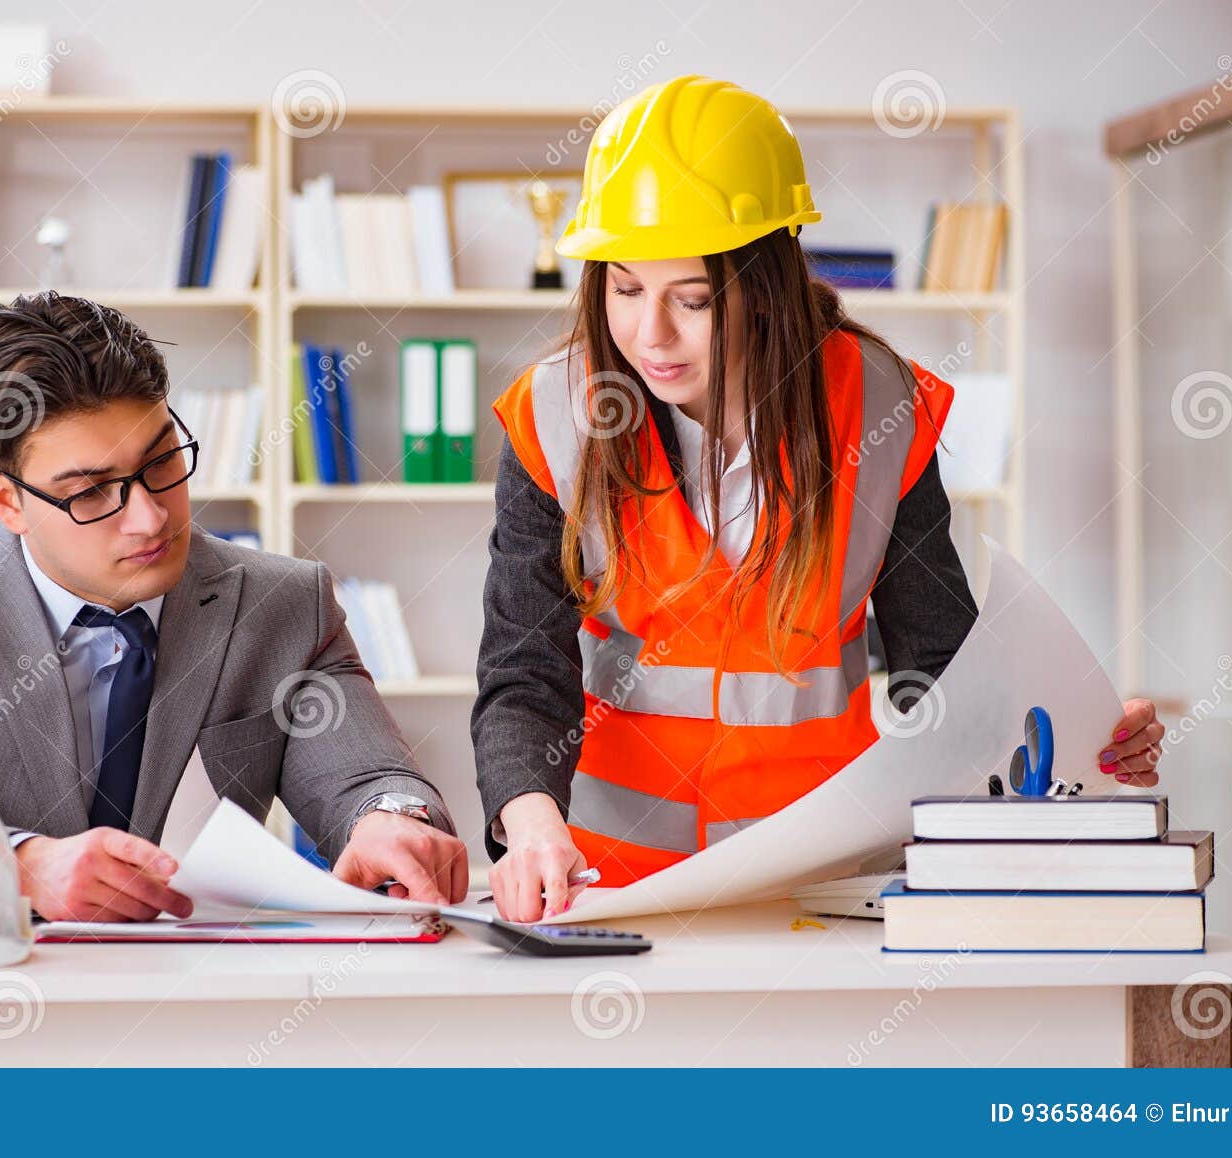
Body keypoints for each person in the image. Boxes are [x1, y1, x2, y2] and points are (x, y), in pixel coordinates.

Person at [472, 75, 1163, 923]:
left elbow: (936, 673)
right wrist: (530, 820)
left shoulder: (877, 408)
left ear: (767, 281)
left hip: (825, 885)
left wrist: (1074, 738)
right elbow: (523, 672)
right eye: (623, 289)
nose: (650, 333)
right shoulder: (555, 417)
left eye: (692, 298)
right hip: (616, 887)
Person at [0, 291, 468, 922]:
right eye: (90, 491)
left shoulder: (284, 604)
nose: (148, 518)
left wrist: (392, 819)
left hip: (194, 1016)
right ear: (7, 502)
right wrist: (15, 868)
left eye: (162, 463)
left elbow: (372, 780)